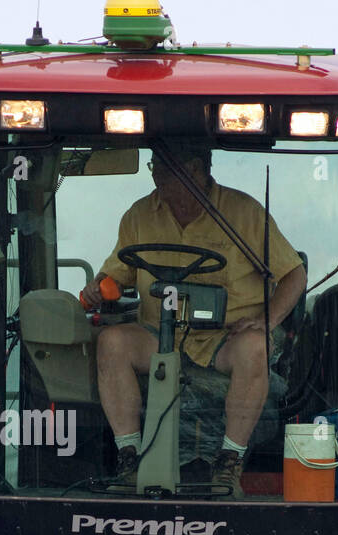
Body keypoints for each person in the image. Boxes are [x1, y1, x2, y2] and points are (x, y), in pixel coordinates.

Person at [83, 144, 307, 496]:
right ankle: (130, 458)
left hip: (226, 337)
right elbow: (115, 276)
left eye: (168, 169)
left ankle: (228, 464)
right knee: (112, 342)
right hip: (160, 335)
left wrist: (266, 321)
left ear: (198, 169)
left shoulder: (243, 211)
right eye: (156, 167)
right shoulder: (139, 215)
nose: (157, 176)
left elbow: (294, 274)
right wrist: (98, 287)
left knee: (254, 348)